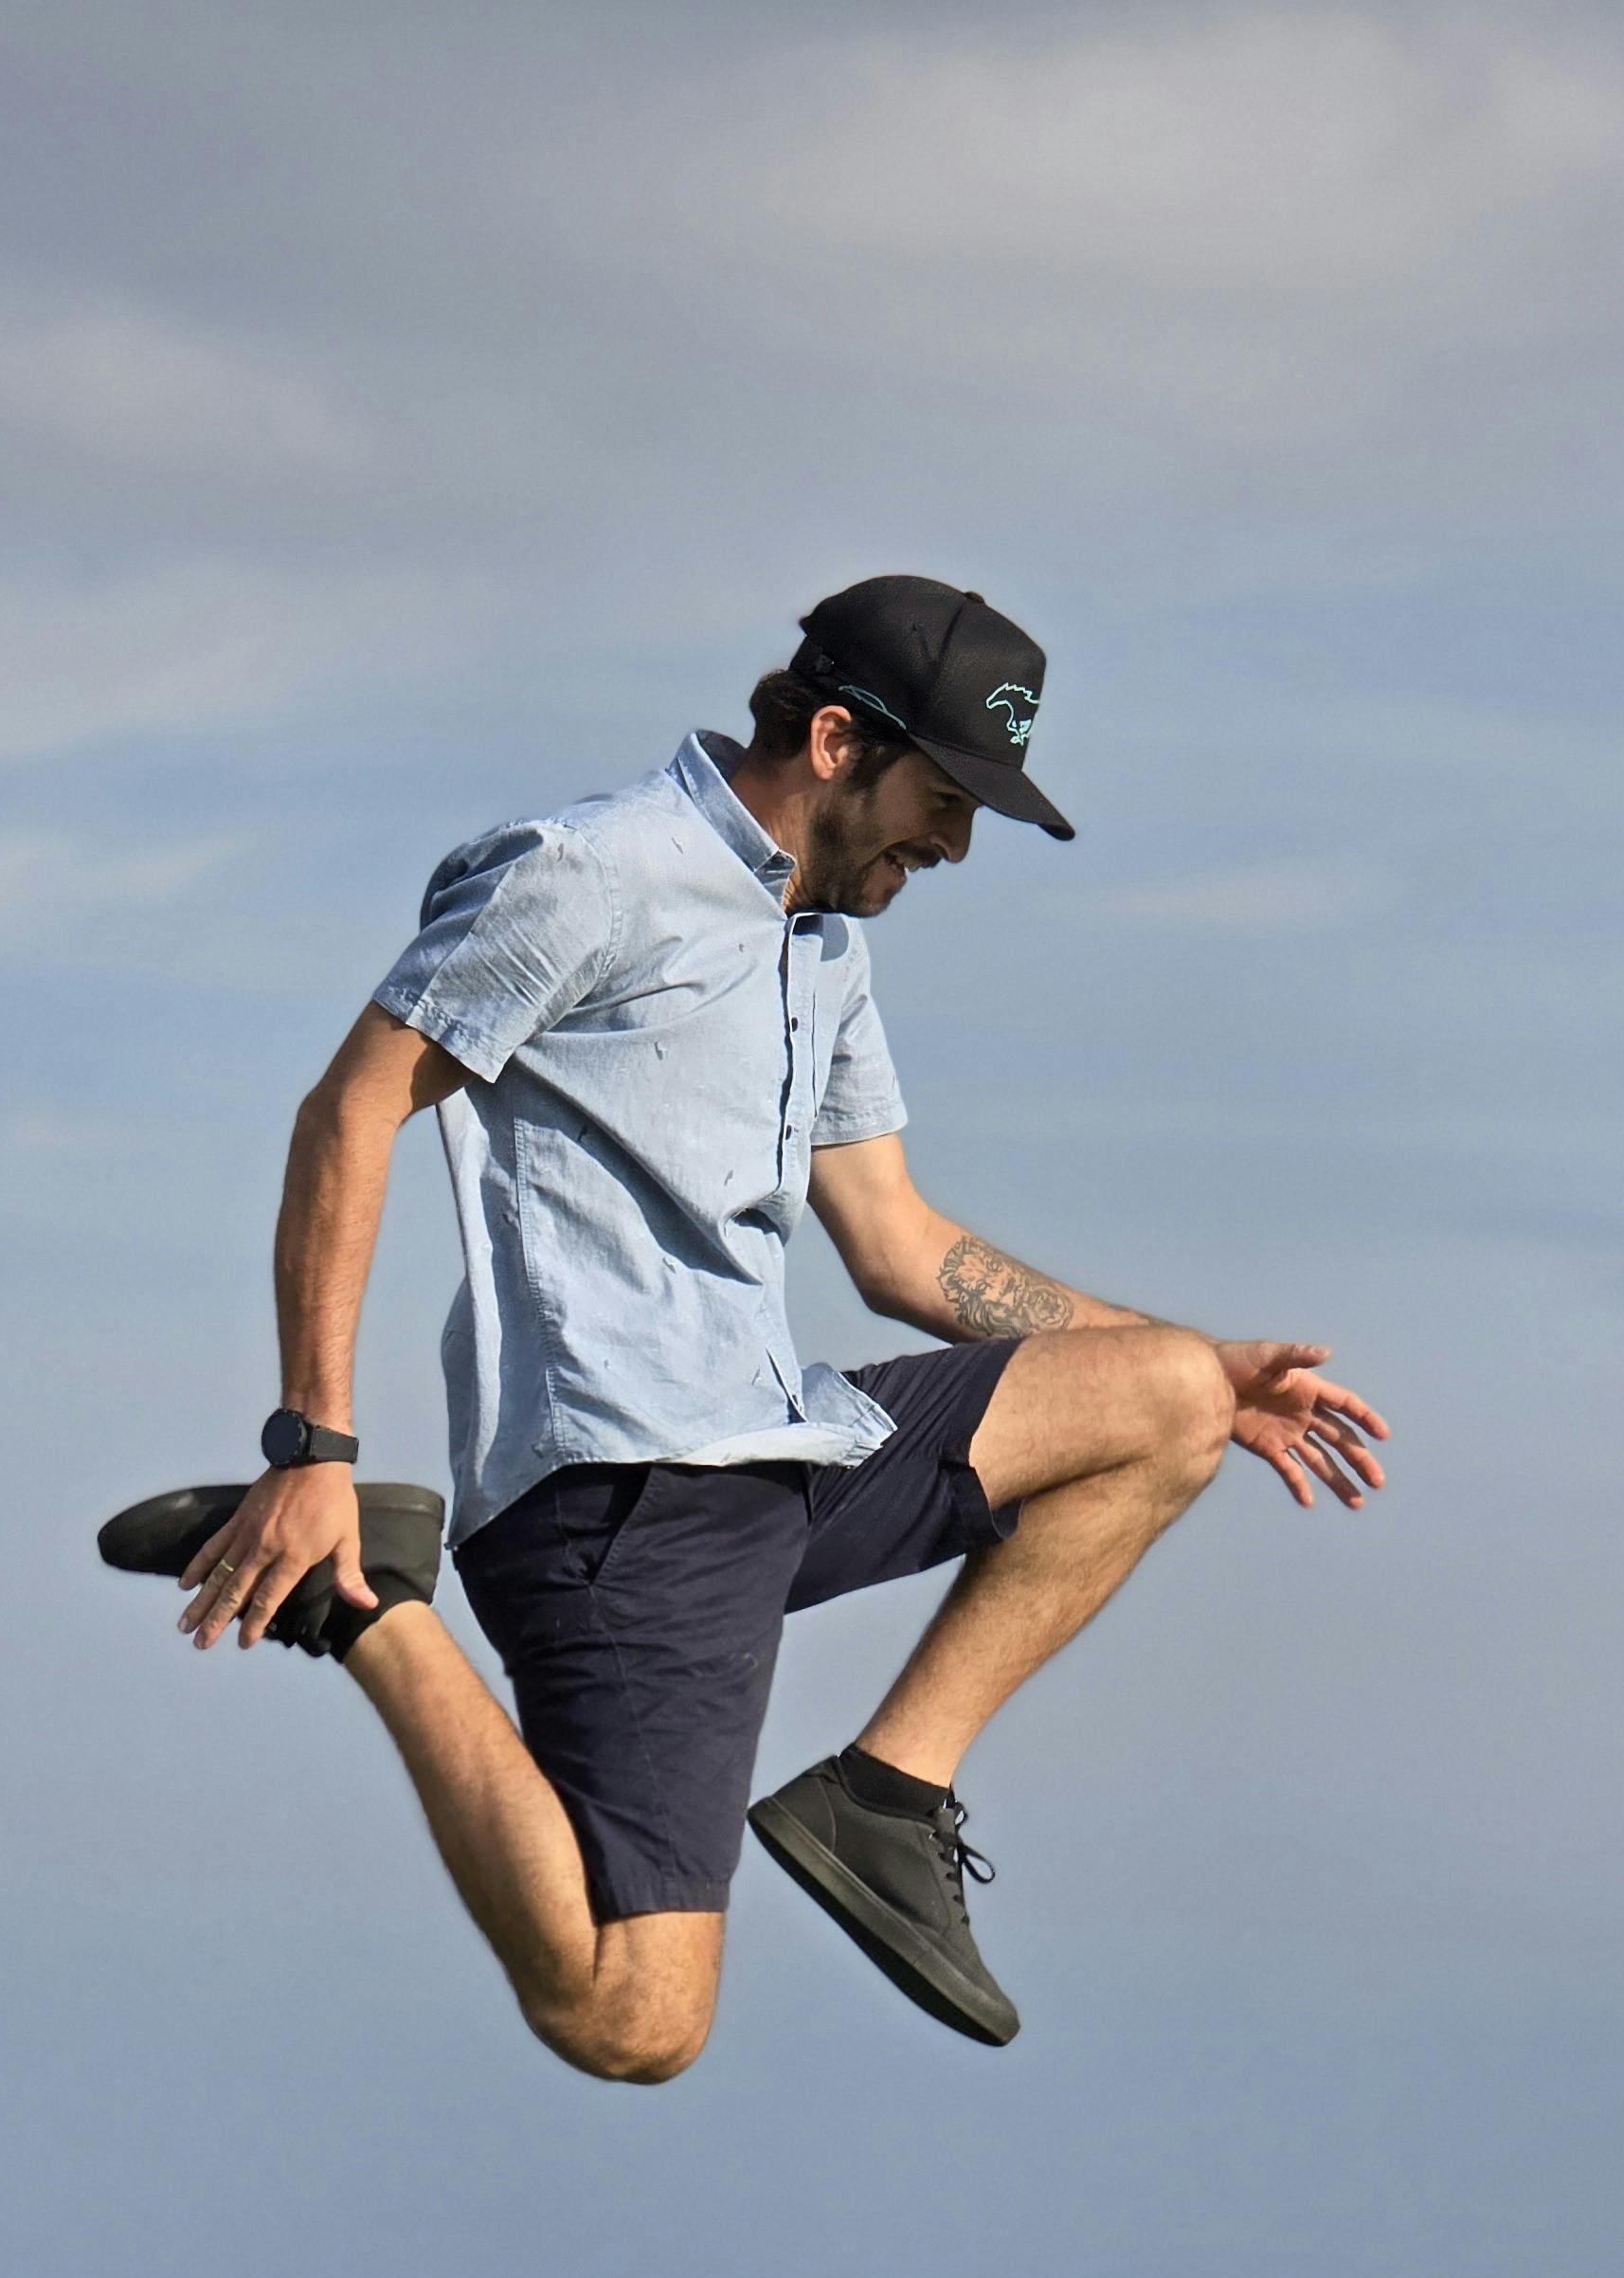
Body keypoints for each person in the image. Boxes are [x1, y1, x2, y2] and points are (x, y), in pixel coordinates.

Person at [99, 575, 1387, 2080]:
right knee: (630, 2021)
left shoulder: (821, 939)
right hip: (620, 1502)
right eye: (945, 799)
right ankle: (373, 1603)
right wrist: (313, 1442)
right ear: (837, 740)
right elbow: (355, 1104)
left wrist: (1205, 1369)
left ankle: (885, 1801)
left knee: (1163, 1399)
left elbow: (902, 1247)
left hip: (784, 1442)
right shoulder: (587, 874)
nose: (957, 845)